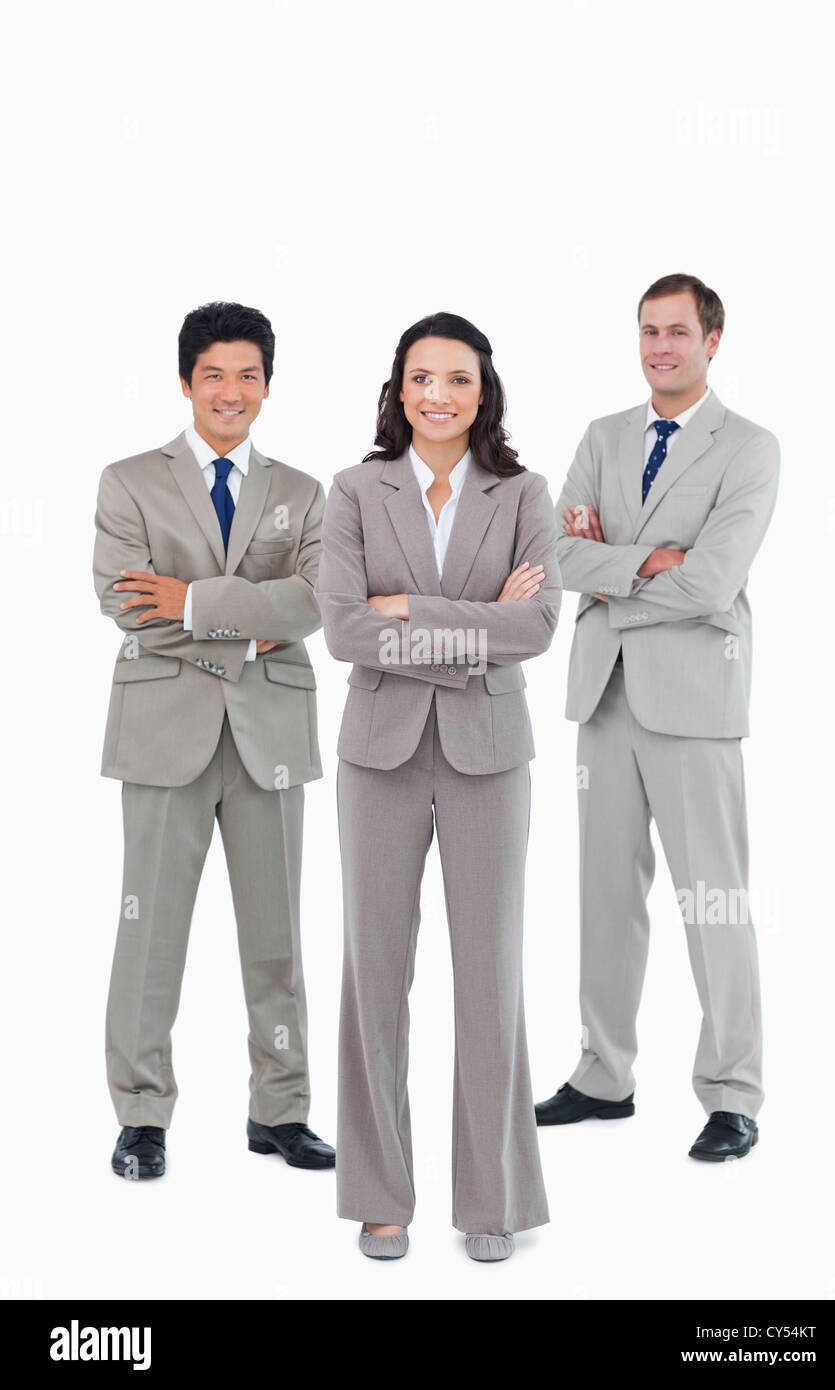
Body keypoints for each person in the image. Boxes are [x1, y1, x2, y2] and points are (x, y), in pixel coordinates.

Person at [314, 312, 561, 1260]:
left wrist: (411, 609)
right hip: (376, 751)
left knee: (489, 974)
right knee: (374, 973)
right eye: (421, 377)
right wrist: (473, 629)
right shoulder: (354, 490)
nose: (438, 395)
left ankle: (491, 1198)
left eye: (457, 378)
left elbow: (537, 626)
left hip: (490, 754)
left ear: (483, 389)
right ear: (398, 388)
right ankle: (381, 1194)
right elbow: (342, 631)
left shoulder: (525, 491)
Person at [536, 273, 779, 1161]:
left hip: (694, 705)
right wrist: (642, 561)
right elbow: (556, 553)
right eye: (647, 331)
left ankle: (733, 1092)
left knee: (712, 899)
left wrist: (612, 573)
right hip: (604, 696)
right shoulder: (603, 436)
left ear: (713, 340)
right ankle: (604, 1075)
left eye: (677, 331)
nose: (659, 347)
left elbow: (715, 581)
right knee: (604, 897)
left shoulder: (749, 448)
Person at [93, 301, 335, 1179]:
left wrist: (191, 601)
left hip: (270, 733)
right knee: (150, 928)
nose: (231, 393)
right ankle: (142, 1116)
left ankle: (281, 1110)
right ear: (186, 381)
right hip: (165, 733)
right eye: (214, 375)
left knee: (277, 935)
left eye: (248, 376)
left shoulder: (306, 493)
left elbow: (315, 604)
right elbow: (127, 605)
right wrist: (254, 627)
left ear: (268, 385)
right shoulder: (128, 481)